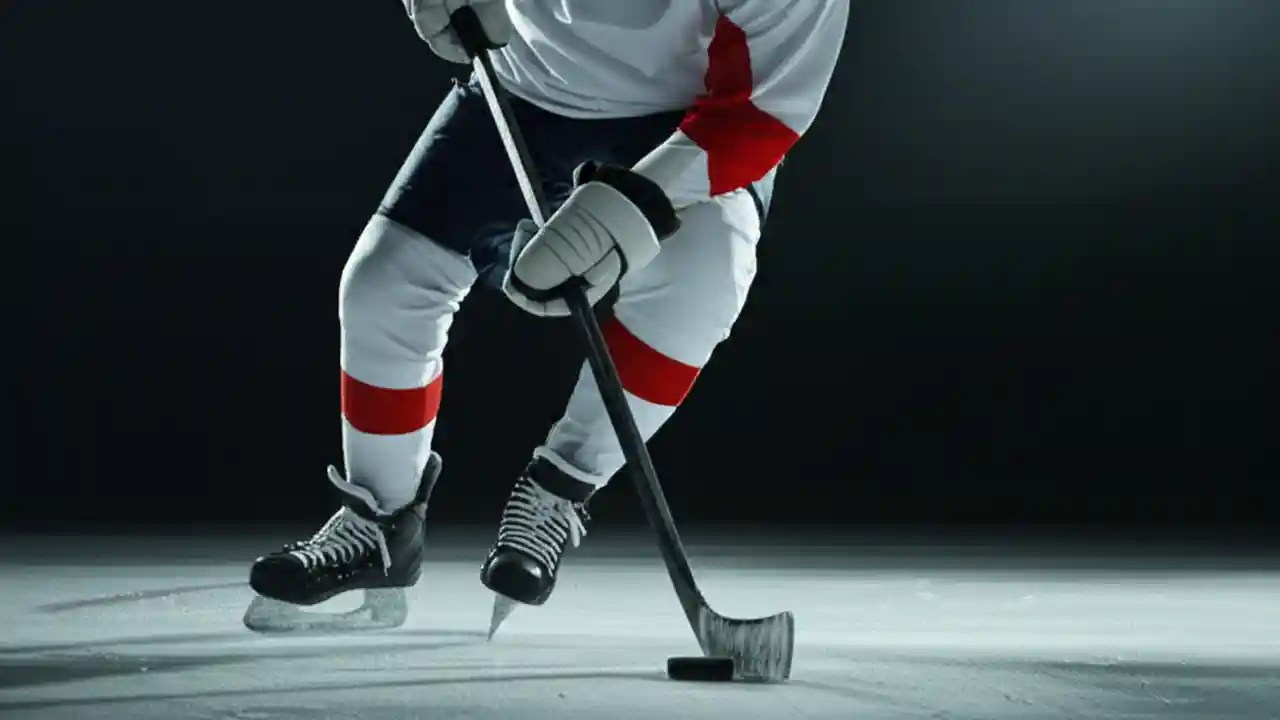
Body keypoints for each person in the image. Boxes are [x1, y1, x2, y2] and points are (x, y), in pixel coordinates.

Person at [247, 0, 849, 624]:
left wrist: (636, 200)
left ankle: (561, 488)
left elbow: (770, 105)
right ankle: (379, 522)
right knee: (382, 283)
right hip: (522, 85)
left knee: (704, 280)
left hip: (684, 122)